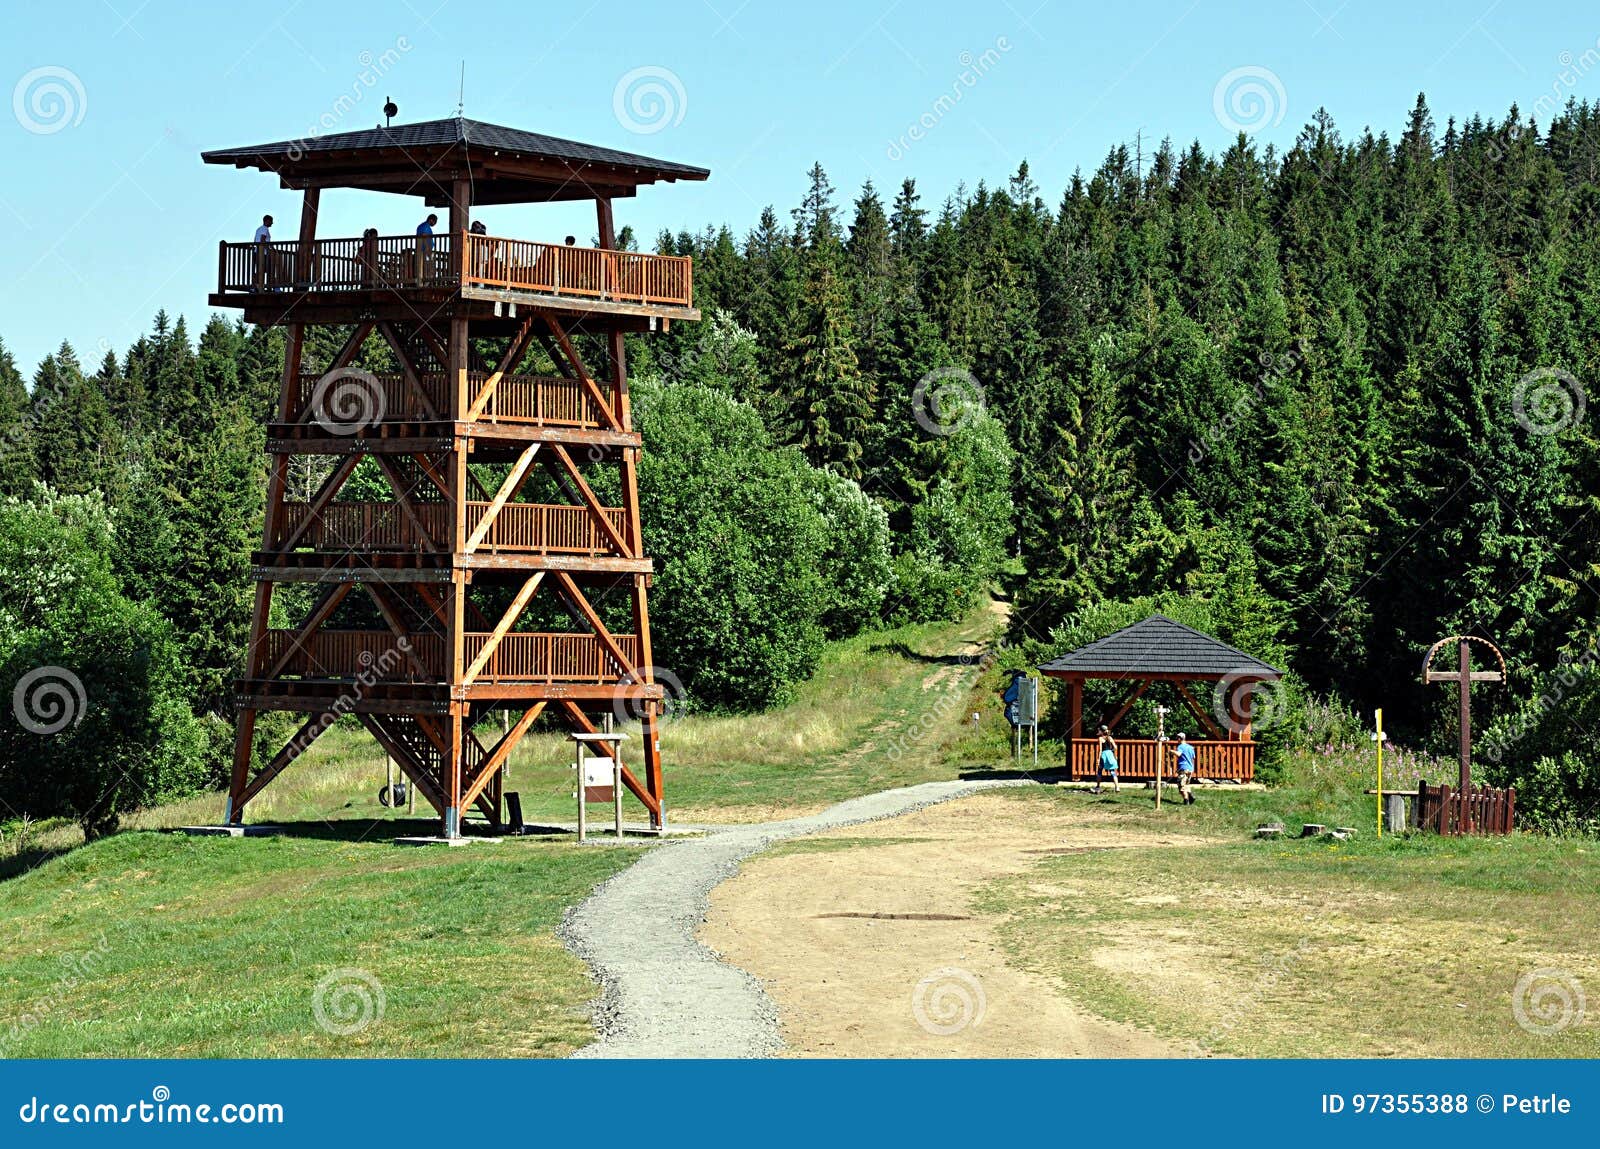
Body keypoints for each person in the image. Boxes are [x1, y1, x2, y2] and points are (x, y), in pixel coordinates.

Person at [1171, 732, 1197, 804]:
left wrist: (1172, 751)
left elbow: (1179, 754)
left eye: (1177, 738)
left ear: (1180, 738)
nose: (1177, 740)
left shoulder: (1180, 746)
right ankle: (1191, 797)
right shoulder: (1191, 747)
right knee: (1186, 784)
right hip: (1190, 768)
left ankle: (1186, 801)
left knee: (1181, 786)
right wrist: (1192, 768)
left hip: (1183, 769)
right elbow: (1193, 758)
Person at [1094, 725, 1120, 795]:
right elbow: (1115, 747)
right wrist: (1112, 753)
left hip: (1104, 755)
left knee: (1099, 771)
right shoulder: (1110, 737)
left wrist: (1098, 759)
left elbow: (1100, 750)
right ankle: (1117, 787)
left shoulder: (1100, 738)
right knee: (1113, 772)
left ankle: (1098, 786)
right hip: (1110, 755)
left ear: (1101, 731)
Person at [251, 214, 273, 291]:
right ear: (267, 221)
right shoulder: (265, 229)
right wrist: (269, 249)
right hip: (263, 253)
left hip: (256, 252)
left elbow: (255, 241)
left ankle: (255, 287)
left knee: (260, 270)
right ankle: (267, 287)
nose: (272, 223)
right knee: (268, 270)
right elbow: (262, 240)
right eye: (271, 221)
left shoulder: (258, 229)